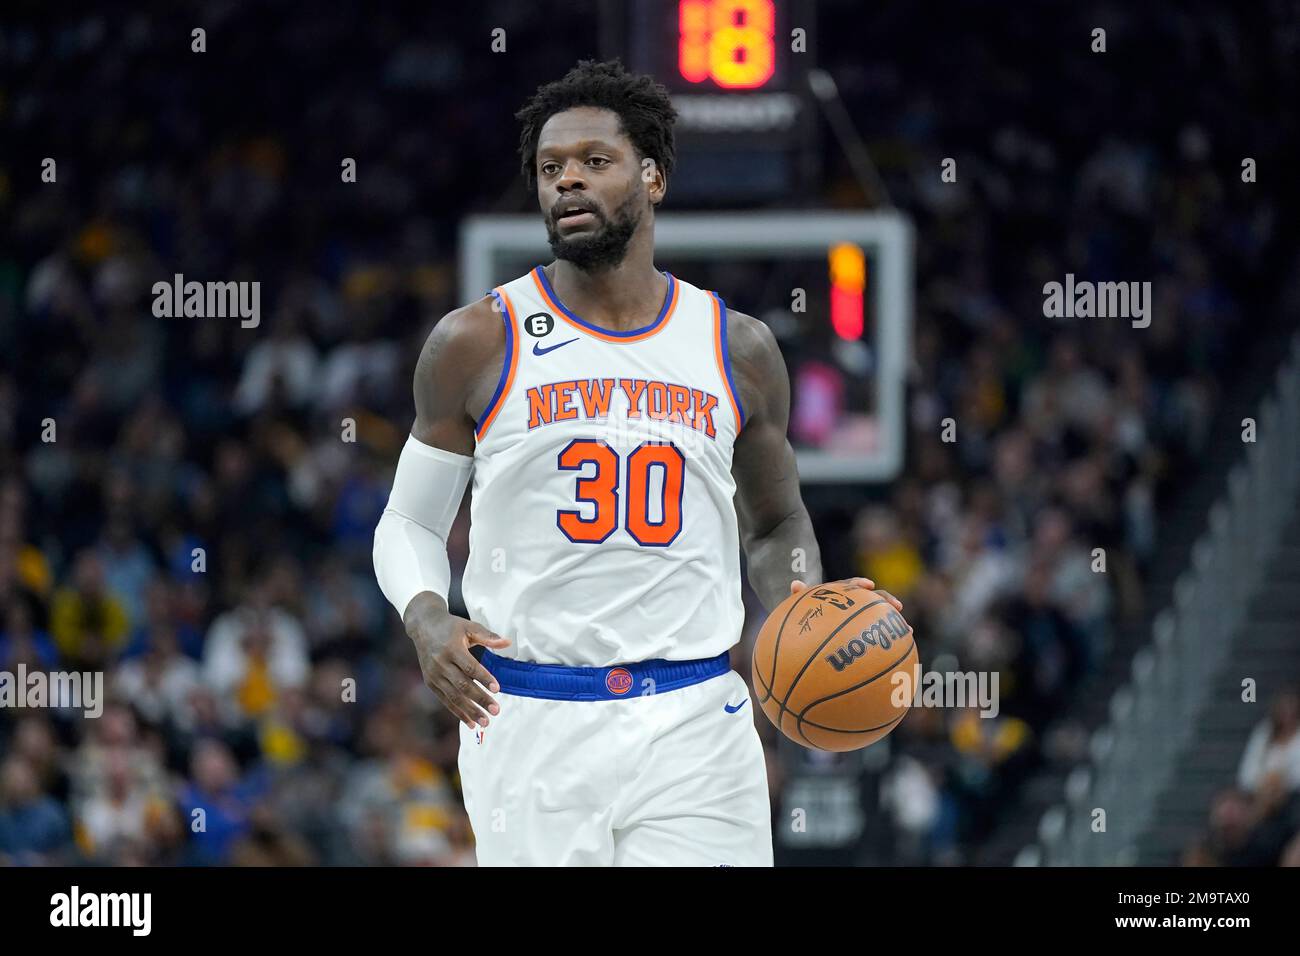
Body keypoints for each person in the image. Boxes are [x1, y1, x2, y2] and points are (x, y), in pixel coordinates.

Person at [373, 59, 899, 866]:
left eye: (594, 162)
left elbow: (777, 521)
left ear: (652, 178)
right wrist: (424, 614)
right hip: (530, 718)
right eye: (551, 169)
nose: (568, 183)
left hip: (694, 720)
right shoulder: (476, 341)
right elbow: (409, 521)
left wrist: (802, 597)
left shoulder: (738, 348)